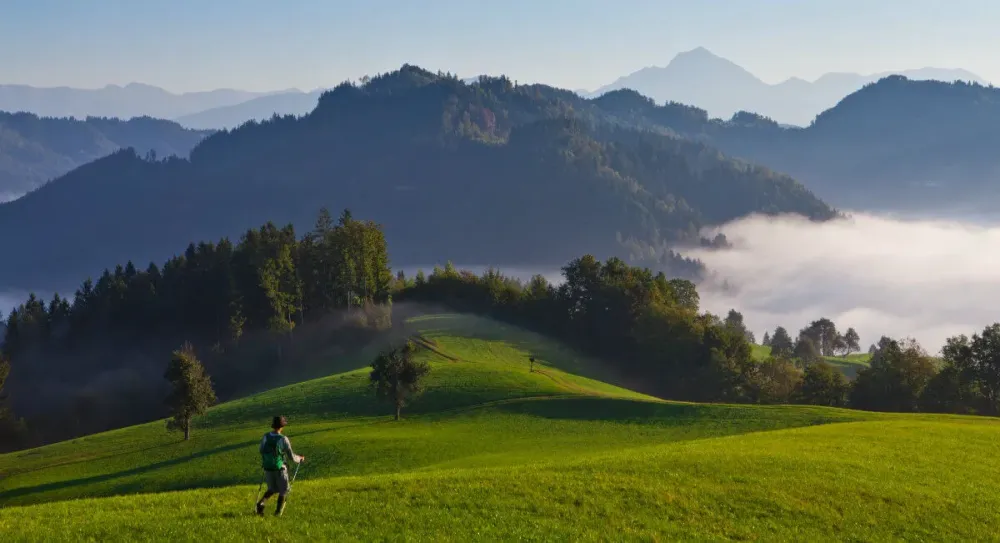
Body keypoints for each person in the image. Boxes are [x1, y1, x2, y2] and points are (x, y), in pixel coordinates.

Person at [255, 415, 305, 516]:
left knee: (272, 489)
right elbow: (291, 456)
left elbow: (261, 450)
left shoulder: (266, 436)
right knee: (284, 490)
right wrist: (300, 459)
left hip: (268, 468)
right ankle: (278, 513)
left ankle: (261, 503)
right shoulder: (283, 439)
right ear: (282, 426)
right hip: (280, 468)